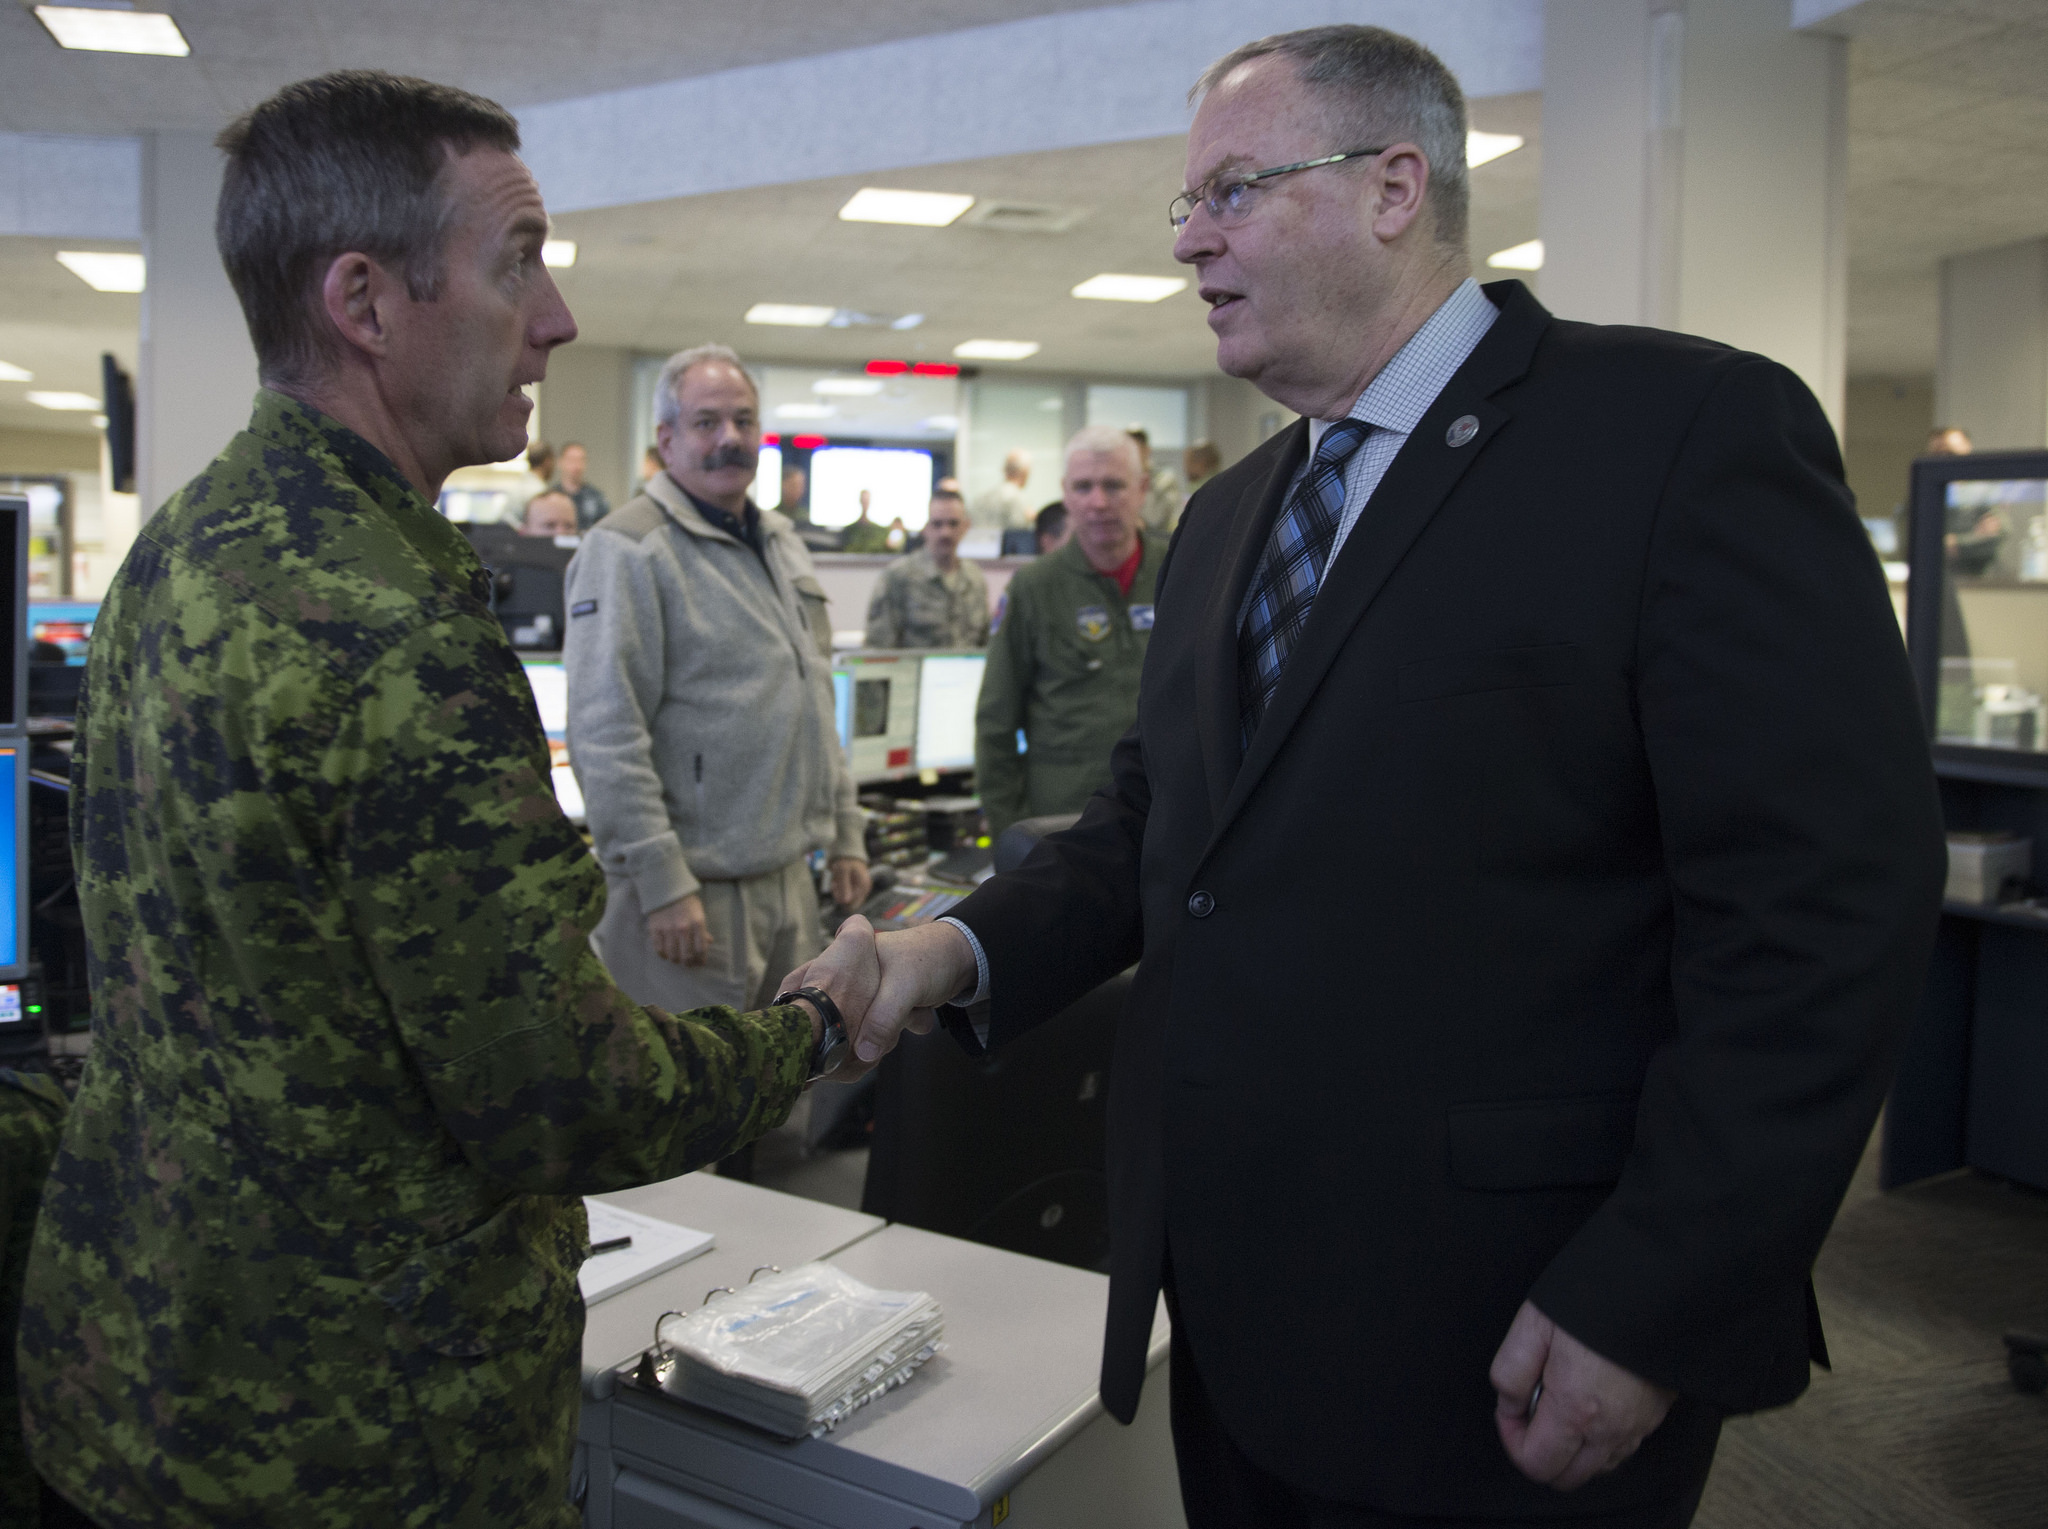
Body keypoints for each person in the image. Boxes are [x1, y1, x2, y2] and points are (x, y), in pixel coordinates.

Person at [844, 24, 1943, 1529]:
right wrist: (947, 949)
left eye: (1229, 190)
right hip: (1235, 1311)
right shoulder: (1231, 515)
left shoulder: (1679, 437)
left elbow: (1824, 912)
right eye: (1183, 204)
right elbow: (1162, 827)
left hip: (1518, 1332)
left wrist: (1653, 1294)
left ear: (1393, 186)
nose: (1187, 240)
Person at [15, 73, 881, 1529]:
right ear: (364, 299)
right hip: (352, 1431)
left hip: (136, 1359)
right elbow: (558, 1099)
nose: (554, 319)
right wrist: (814, 1027)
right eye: (518, 261)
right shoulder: (394, 624)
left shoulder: (177, 551)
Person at [565, 342, 872, 1024]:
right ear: (666, 439)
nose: (729, 438)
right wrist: (660, 880)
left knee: (793, 1102)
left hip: (792, 883)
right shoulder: (627, 549)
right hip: (689, 899)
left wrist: (845, 829)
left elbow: (814, 698)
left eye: (743, 420)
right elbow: (605, 731)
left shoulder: (782, 541)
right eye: (707, 422)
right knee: (695, 1119)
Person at [972, 426, 1162, 837]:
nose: (1098, 502)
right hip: (1066, 824)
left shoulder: (1185, 568)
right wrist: (1011, 835)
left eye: (1114, 485)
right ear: (1065, 493)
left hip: (1169, 818)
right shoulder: (1033, 589)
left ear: (1142, 489)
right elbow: (996, 722)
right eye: (1083, 487)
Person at [864, 485, 990, 649]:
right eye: (937, 524)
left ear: (965, 527)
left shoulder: (975, 579)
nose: (945, 533)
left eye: (953, 524)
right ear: (925, 527)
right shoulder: (898, 577)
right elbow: (878, 650)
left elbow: (985, 644)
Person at [1128, 426, 1184, 536]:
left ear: (1146, 450)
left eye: (1134, 449)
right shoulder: (1124, 478)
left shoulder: (1165, 480)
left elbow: (1155, 520)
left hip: (1158, 541)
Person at [552, 439, 609, 529]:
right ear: (560, 462)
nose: (576, 465)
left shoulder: (596, 497)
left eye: (581, 460)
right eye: (571, 460)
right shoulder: (551, 497)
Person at [972, 448, 1034, 529]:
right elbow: (1019, 531)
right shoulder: (1018, 498)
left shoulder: (983, 498)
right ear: (1025, 472)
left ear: (1004, 470)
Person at [842, 487, 891, 553]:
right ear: (860, 501)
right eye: (863, 500)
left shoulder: (881, 531)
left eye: (867, 500)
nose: (865, 503)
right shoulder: (850, 530)